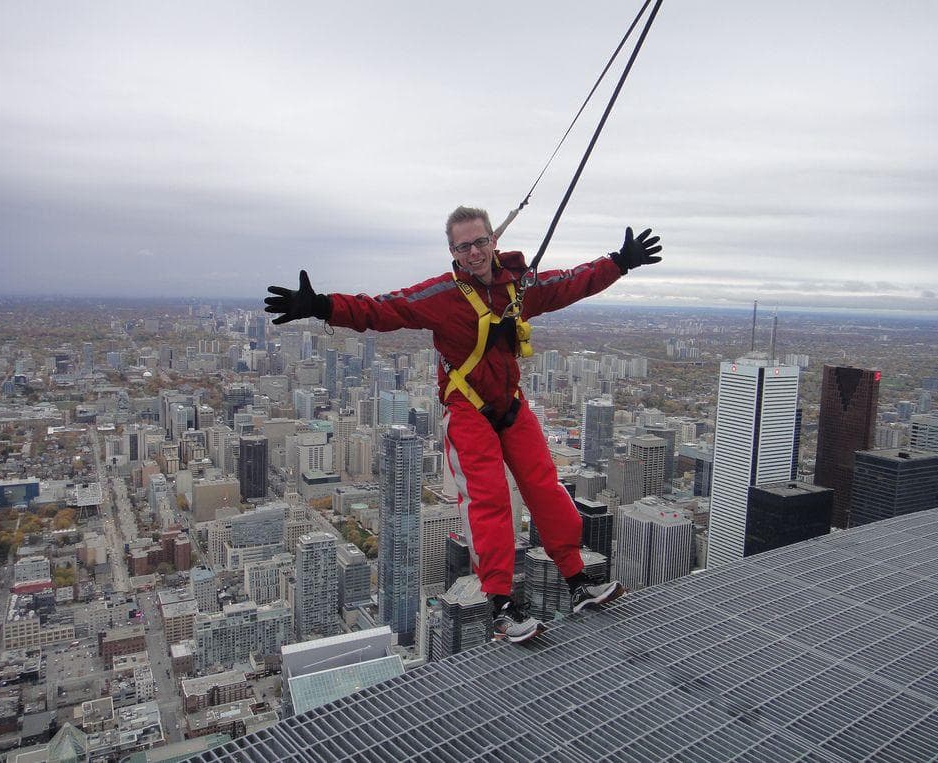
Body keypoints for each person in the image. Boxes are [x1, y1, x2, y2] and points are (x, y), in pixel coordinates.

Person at [265, 206, 661, 643]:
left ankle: (575, 576)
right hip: (467, 407)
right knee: (488, 497)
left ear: (493, 240)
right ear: (451, 250)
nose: (472, 252)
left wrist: (619, 262)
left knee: (544, 485)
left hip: (509, 403)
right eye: (462, 246)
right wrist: (321, 305)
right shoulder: (442, 296)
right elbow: (382, 310)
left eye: (478, 242)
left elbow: (568, 283)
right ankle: (500, 603)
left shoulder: (519, 287)